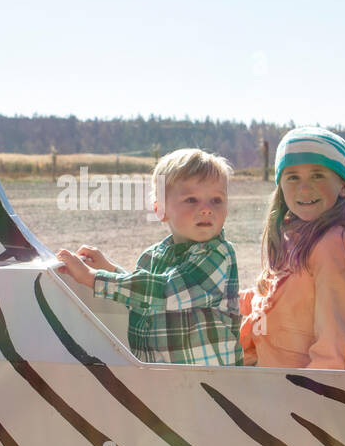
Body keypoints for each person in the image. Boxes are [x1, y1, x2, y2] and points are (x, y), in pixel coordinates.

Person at [55, 148, 242, 365]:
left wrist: (94, 277)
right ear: (160, 210)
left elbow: (166, 292)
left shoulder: (218, 255)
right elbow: (144, 298)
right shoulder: (152, 257)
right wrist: (111, 271)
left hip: (211, 384)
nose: (207, 209)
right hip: (159, 377)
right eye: (191, 200)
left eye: (216, 200)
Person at [239, 127, 345, 370]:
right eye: (293, 177)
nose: (304, 188)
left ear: (343, 185)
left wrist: (311, 398)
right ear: (280, 185)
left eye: (317, 175)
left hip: (297, 390)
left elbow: (330, 346)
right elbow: (276, 299)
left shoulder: (333, 246)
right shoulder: (294, 234)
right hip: (270, 378)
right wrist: (225, 300)